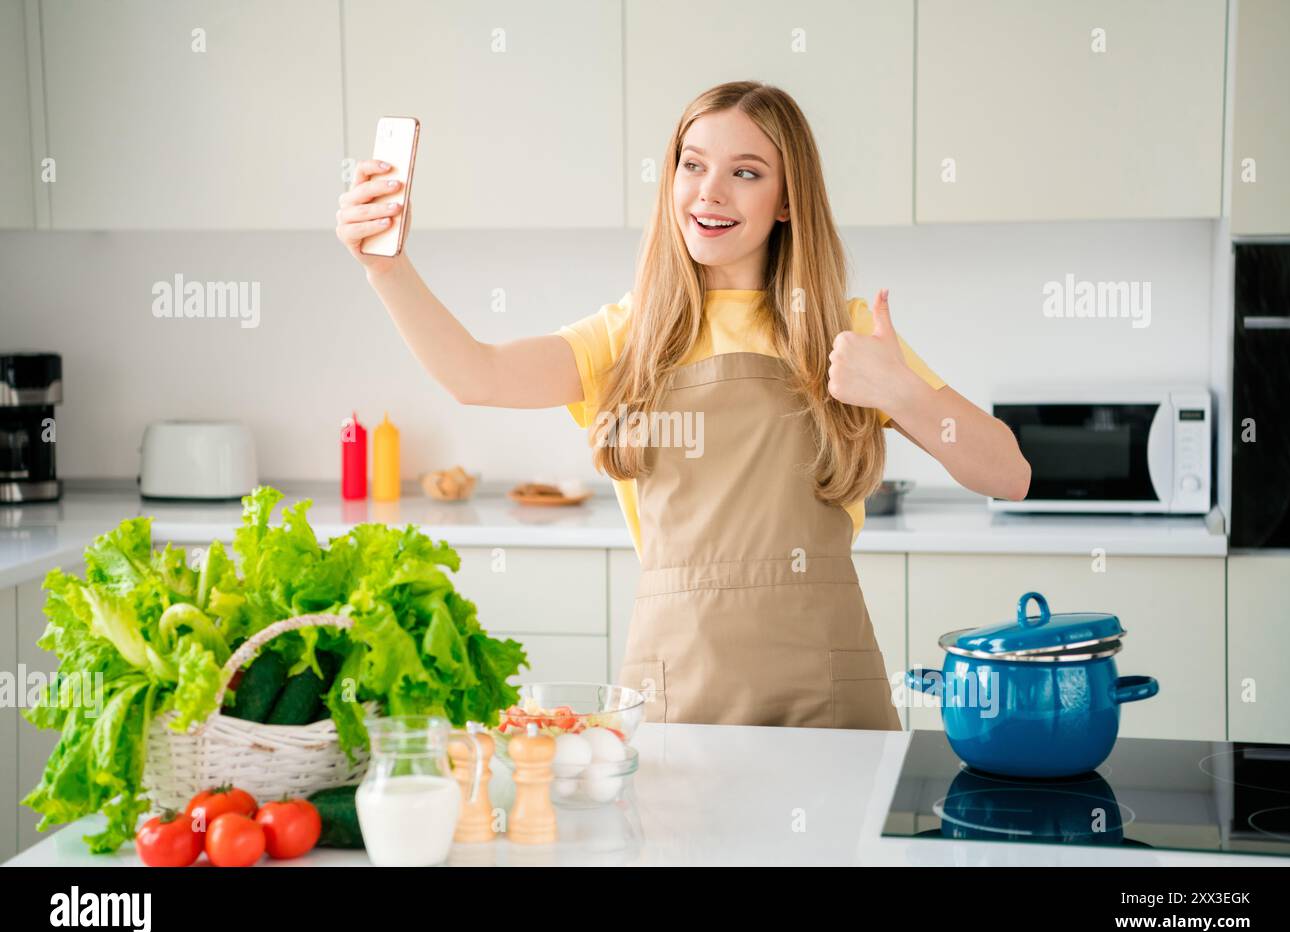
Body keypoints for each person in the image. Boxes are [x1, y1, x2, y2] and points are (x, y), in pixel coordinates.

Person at [336, 81, 1031, 730]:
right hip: (676, 686)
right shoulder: (631, 336)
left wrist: (899, 390)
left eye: (747, 172)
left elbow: (1008, 475)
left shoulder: (843, 331)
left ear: (788, 200)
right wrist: (385, 268)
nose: (710, 191)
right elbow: (476, 374)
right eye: (692, 165)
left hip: (828, 690)